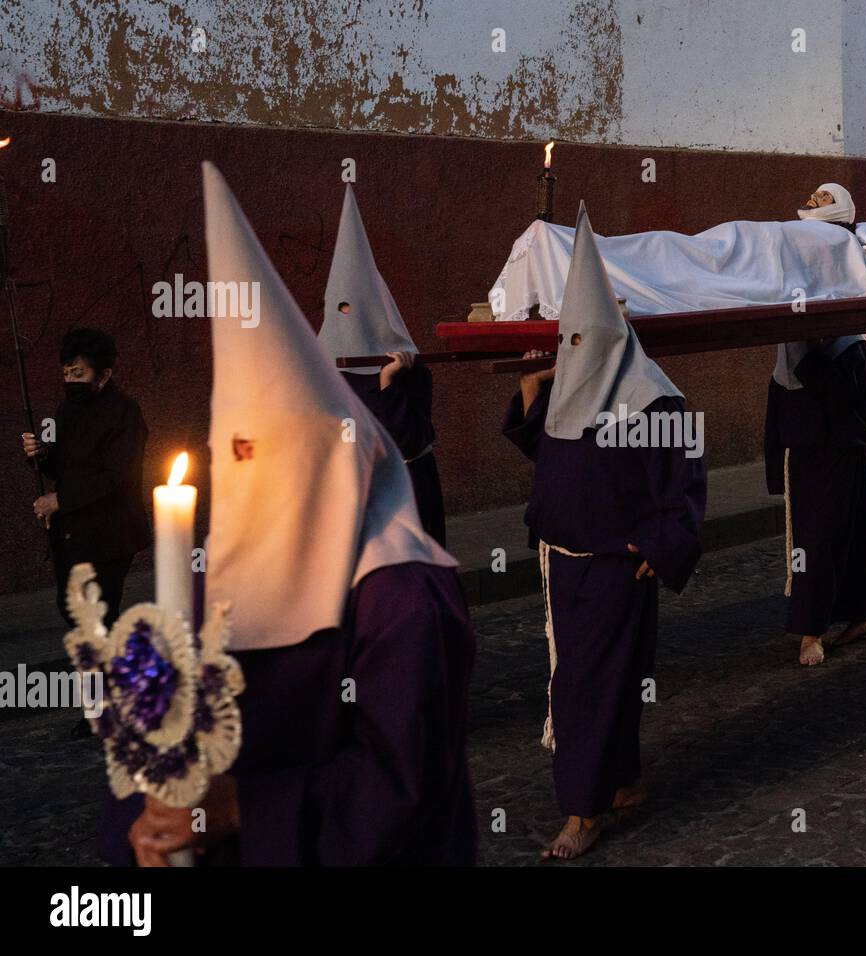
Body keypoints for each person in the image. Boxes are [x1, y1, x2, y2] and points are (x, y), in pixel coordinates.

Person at [108, 162, 477, 867]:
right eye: (241, 455)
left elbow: (404, 785)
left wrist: (243, 808)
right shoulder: (201, 580)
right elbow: (141, 746)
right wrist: (146, 821)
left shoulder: (401, 595)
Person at [502, 202, 705, 861]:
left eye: (586, 343)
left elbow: (683, 481)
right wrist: (535, 387)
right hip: (564, 562)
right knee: (606, 680)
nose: (578, 355)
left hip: (618, 563)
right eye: (572, 342)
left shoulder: (651, 399)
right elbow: (553, 457)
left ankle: (580, 813)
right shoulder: (568, 390)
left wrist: (662, 542)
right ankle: (619, 782)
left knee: (590, 687)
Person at [767, 224, 866, 667]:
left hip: (835, 445)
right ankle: (856, 612)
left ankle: (813, 627)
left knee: (825, 535)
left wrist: (815, 352)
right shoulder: (799, 336)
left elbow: (839, 396)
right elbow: (782, 390)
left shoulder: (852, 346)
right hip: (813, 445)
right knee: (832, 531)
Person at [317, 185, 447, 546]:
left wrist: (388, 384)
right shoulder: (322, 373)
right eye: (339, 307)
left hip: (404, 508)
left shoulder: (409, 369)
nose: (347, 316)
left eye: (354, 307)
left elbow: (408, 443)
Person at [21, 328, 149, 627]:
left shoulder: (125, 413)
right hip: (73, 533)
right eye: (66, 373)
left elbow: (117, 477)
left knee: (97, 614)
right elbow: (62, 468)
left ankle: (114, 670)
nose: (70, 381)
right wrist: (40, 455)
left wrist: (60, 500)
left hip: (111, 534)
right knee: (72, 609)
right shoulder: (68, 410)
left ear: (103, 375)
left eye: (78, 373)